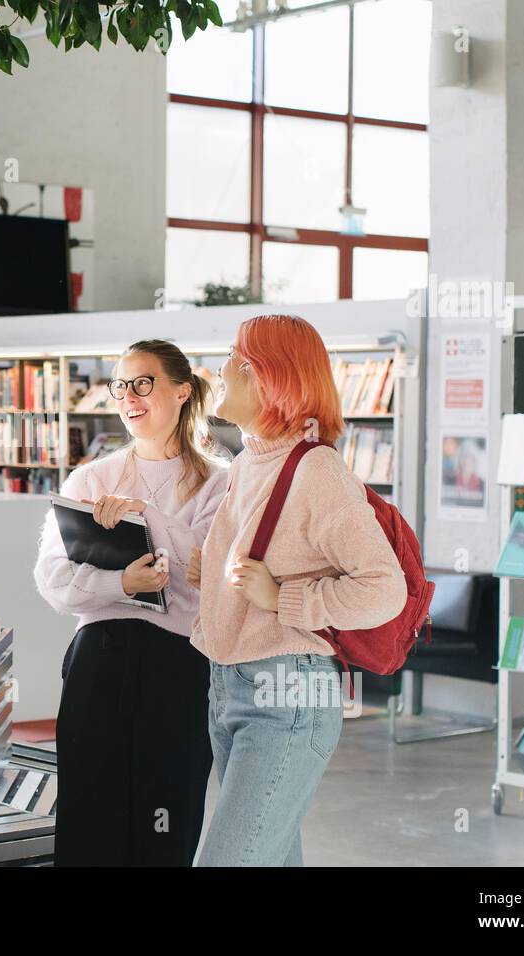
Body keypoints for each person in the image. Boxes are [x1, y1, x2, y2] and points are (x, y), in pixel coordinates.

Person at [189, 314, 407, 867]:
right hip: (230, 685)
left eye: (235, 361)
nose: (221, 371)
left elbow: (385, 589)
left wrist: (285, 599)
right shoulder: (250, 462)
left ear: (268, 376)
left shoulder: (316, 471)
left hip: (286, 694)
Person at [34, 339, 229, 866]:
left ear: (183, 391)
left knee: (169, 808)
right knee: (88, 808)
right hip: (99, 656)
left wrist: (148, 517)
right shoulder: (92, 478)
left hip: (180, 665)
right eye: (121, 385)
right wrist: (121, 585)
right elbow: (53, 579)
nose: (129, 396)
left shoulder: (220, 482)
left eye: (144, 382)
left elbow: (210, 577)